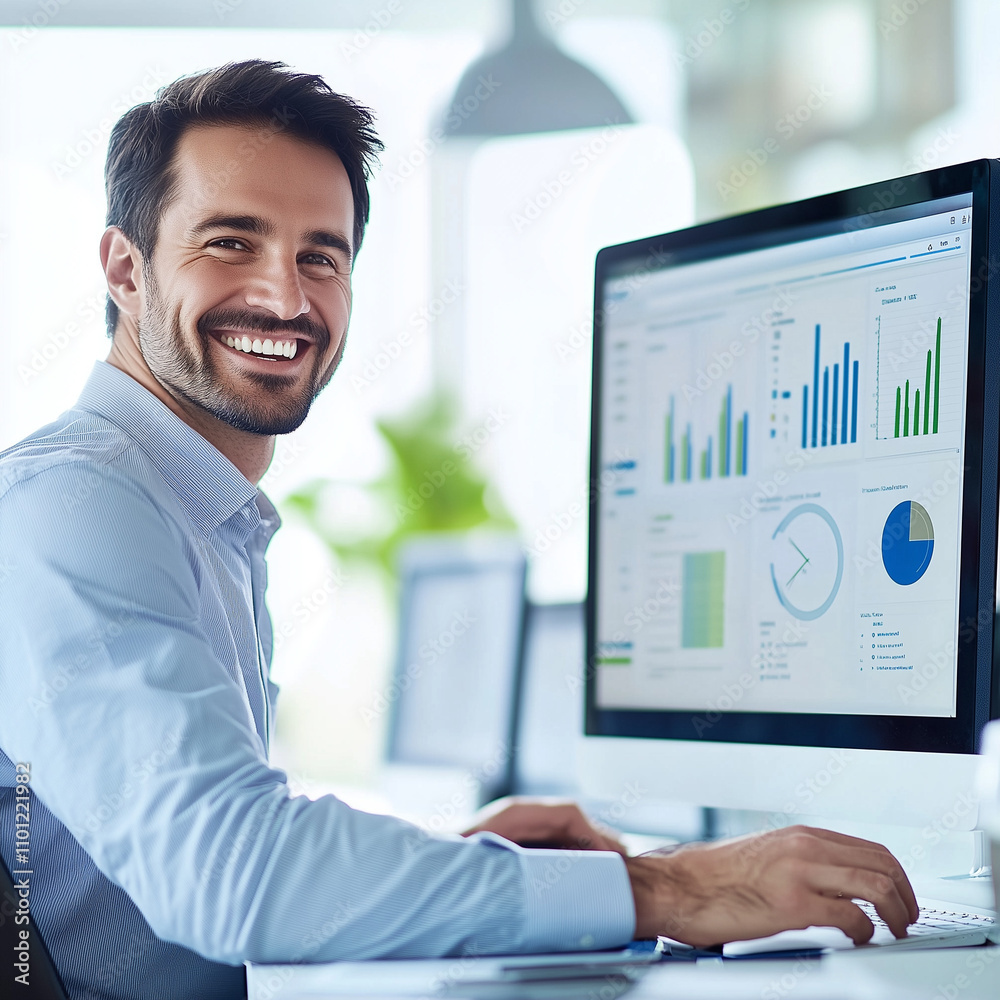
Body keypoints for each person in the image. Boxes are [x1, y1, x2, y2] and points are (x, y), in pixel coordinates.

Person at [0, 60, 918, 1000]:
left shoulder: (191, 507)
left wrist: (465, 874)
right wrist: (668, 885)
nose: (285, 297)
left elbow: (199, 859)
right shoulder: (73, 504)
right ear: (125, 269)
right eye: (231, 242)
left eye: (322, 255)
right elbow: (231, 874)